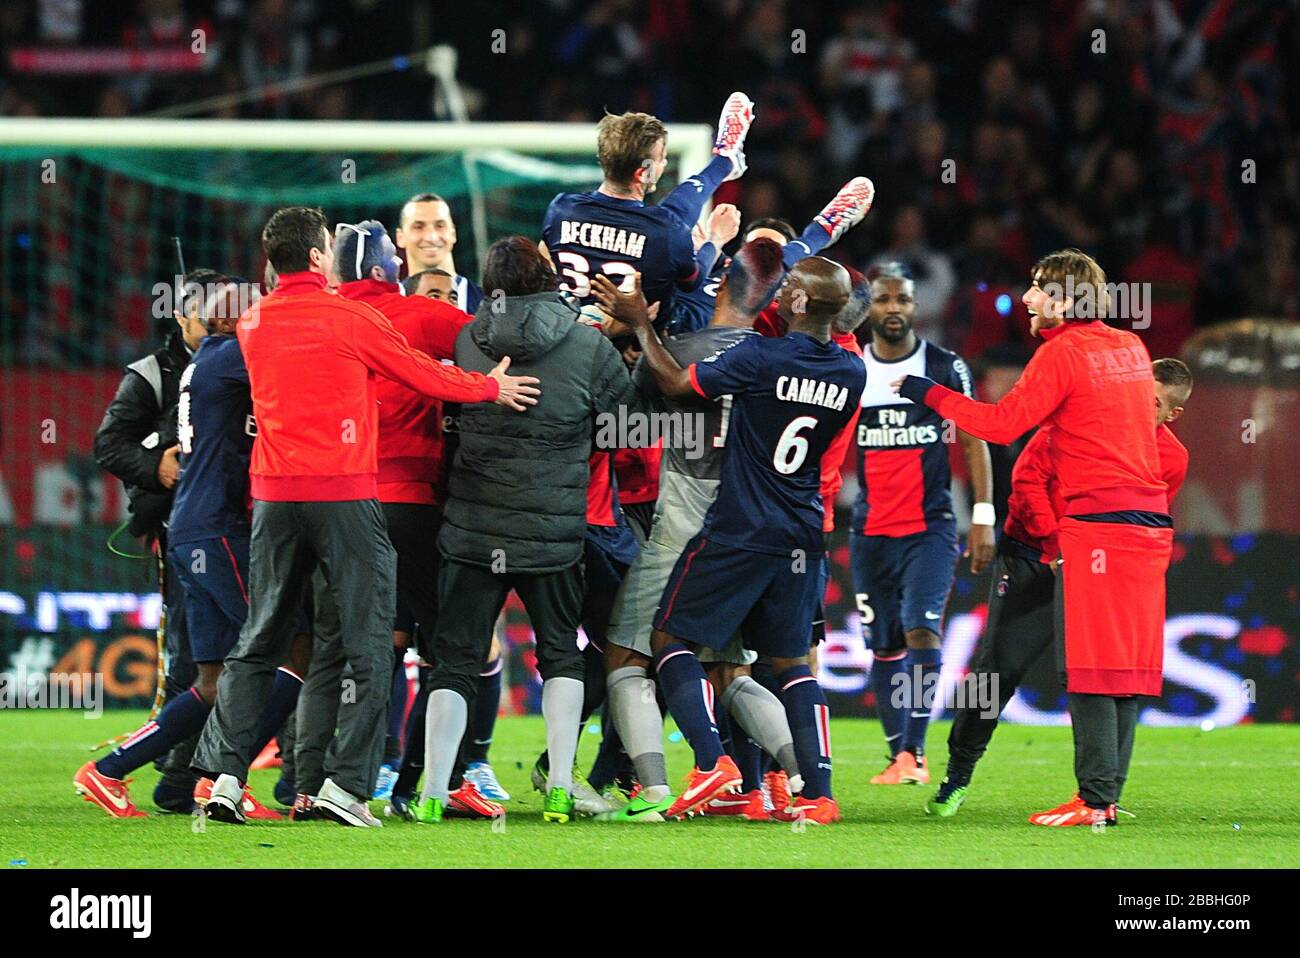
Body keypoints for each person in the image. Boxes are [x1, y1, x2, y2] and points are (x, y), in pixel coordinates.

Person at [192, 207, 539, 828]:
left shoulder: (253, 321)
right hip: (345, 497)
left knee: (261, 636)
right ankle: (345, 789)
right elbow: (421, 372)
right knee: (369, 642)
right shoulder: (351, 317)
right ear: (320, 257)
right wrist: (489, 388)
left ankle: (223, 778)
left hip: (273, 498)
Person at [893, 249, 1172, 828]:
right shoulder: (1130, 348)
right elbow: (1149, 448)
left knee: (1083, 670)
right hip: (1113, 534)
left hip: (1084, 538)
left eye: (1039, 289)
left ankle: (1096, 801)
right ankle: (979, 778)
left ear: (1066, 300)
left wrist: (926, 391)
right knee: (1105, 670)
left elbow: (999, 425)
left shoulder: (1063, 354)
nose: (1026, 299)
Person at [612, 257, 866, 825]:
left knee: (669, 640)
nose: (780, 291)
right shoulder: (852, 372)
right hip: (803, 530)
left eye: (791, 287)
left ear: (801, 303)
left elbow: (677, 383)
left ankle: (711, 764)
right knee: (792, 663)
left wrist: (642, 326)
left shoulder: (758, 357)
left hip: (740, 527)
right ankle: (818, 793)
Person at [415, 236, 644, 825]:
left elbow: (452, 416)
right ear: (547, 276)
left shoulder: (468, 337)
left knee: (455, 661)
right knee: (563, 656)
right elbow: (628, 427)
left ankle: (433, 792)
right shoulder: (588, 345)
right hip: (555, 529)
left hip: (472, 525)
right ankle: (562, 787)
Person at [75, 278, 303, 821]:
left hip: (191, 529)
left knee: (214, 680)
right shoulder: (229, 357)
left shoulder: (208, 361)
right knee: (290, 651)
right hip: (219, 529)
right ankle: (224, 778)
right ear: (235, 324)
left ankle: (108, 770)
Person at [926, 358, 1193, 817]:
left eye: (1149, 402)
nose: (1133, 405)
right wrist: (1057, 548)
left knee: (1108, 673)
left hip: (1097, 567)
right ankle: (958, 773)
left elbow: (1141, 521)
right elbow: (1027, 483)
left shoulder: (1172, 458)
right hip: (1034, 559)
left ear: (1172, 414)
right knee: (996, 673)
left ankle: (1102, 797)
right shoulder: (1077, 428)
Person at [593, 238, 793, 823]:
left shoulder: (678, 352)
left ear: (723, 279)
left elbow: (619, 427)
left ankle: (656, 791)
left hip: (682, 524)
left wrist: (623, 334)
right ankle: (799, 781)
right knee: (730, 668)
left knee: (626, 654)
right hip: (745, 532)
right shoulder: (779, 362)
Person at [331, 220, 509, 811]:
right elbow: (492, 336)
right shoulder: (413, 316)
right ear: (390, 269)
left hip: (336, 503)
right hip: (412, 502)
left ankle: (327, 781)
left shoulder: (321, 320)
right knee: (456, 643)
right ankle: (444, 777)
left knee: (364, 644)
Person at [853, 262, 995, 787]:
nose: (895, 309)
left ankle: (915, 750)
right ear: (869, 307)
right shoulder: (851, 367)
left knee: (921, 628)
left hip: (931, 527)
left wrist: (982, 515)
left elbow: (975, 435)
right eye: (884, 299)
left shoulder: (942, 365)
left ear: (916, 307)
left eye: (904, 300)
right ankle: (899, 756)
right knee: (884, 645)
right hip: (870, 531)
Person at [92, 267, 223, 812]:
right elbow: (109, 444)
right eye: (204, 312)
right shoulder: (149, 374)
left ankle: (199, 777)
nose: (215, 320)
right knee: (193, 658)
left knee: (224, 657)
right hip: (179, 529)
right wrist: (156, 468)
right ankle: (176, 775)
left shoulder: (237, 356)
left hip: (229, 528)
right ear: (179, 314)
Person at [539, 94, 755, 321]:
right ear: (643, 173)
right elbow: (692, 281)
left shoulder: (560, 209)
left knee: (668, 221)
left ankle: (725, 161)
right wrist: (716, 238)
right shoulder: (665, 229)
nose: (665, 164)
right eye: (661, 158)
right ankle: (726, 161)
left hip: (570, 324)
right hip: (642, 337)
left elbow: (546, 254)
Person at [395, 194, 482, 313]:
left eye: (440, 226)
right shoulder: (384, 310)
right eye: (418, 227)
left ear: (453, 233)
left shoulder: (486, 304)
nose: (431, 237)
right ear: (400, 238)